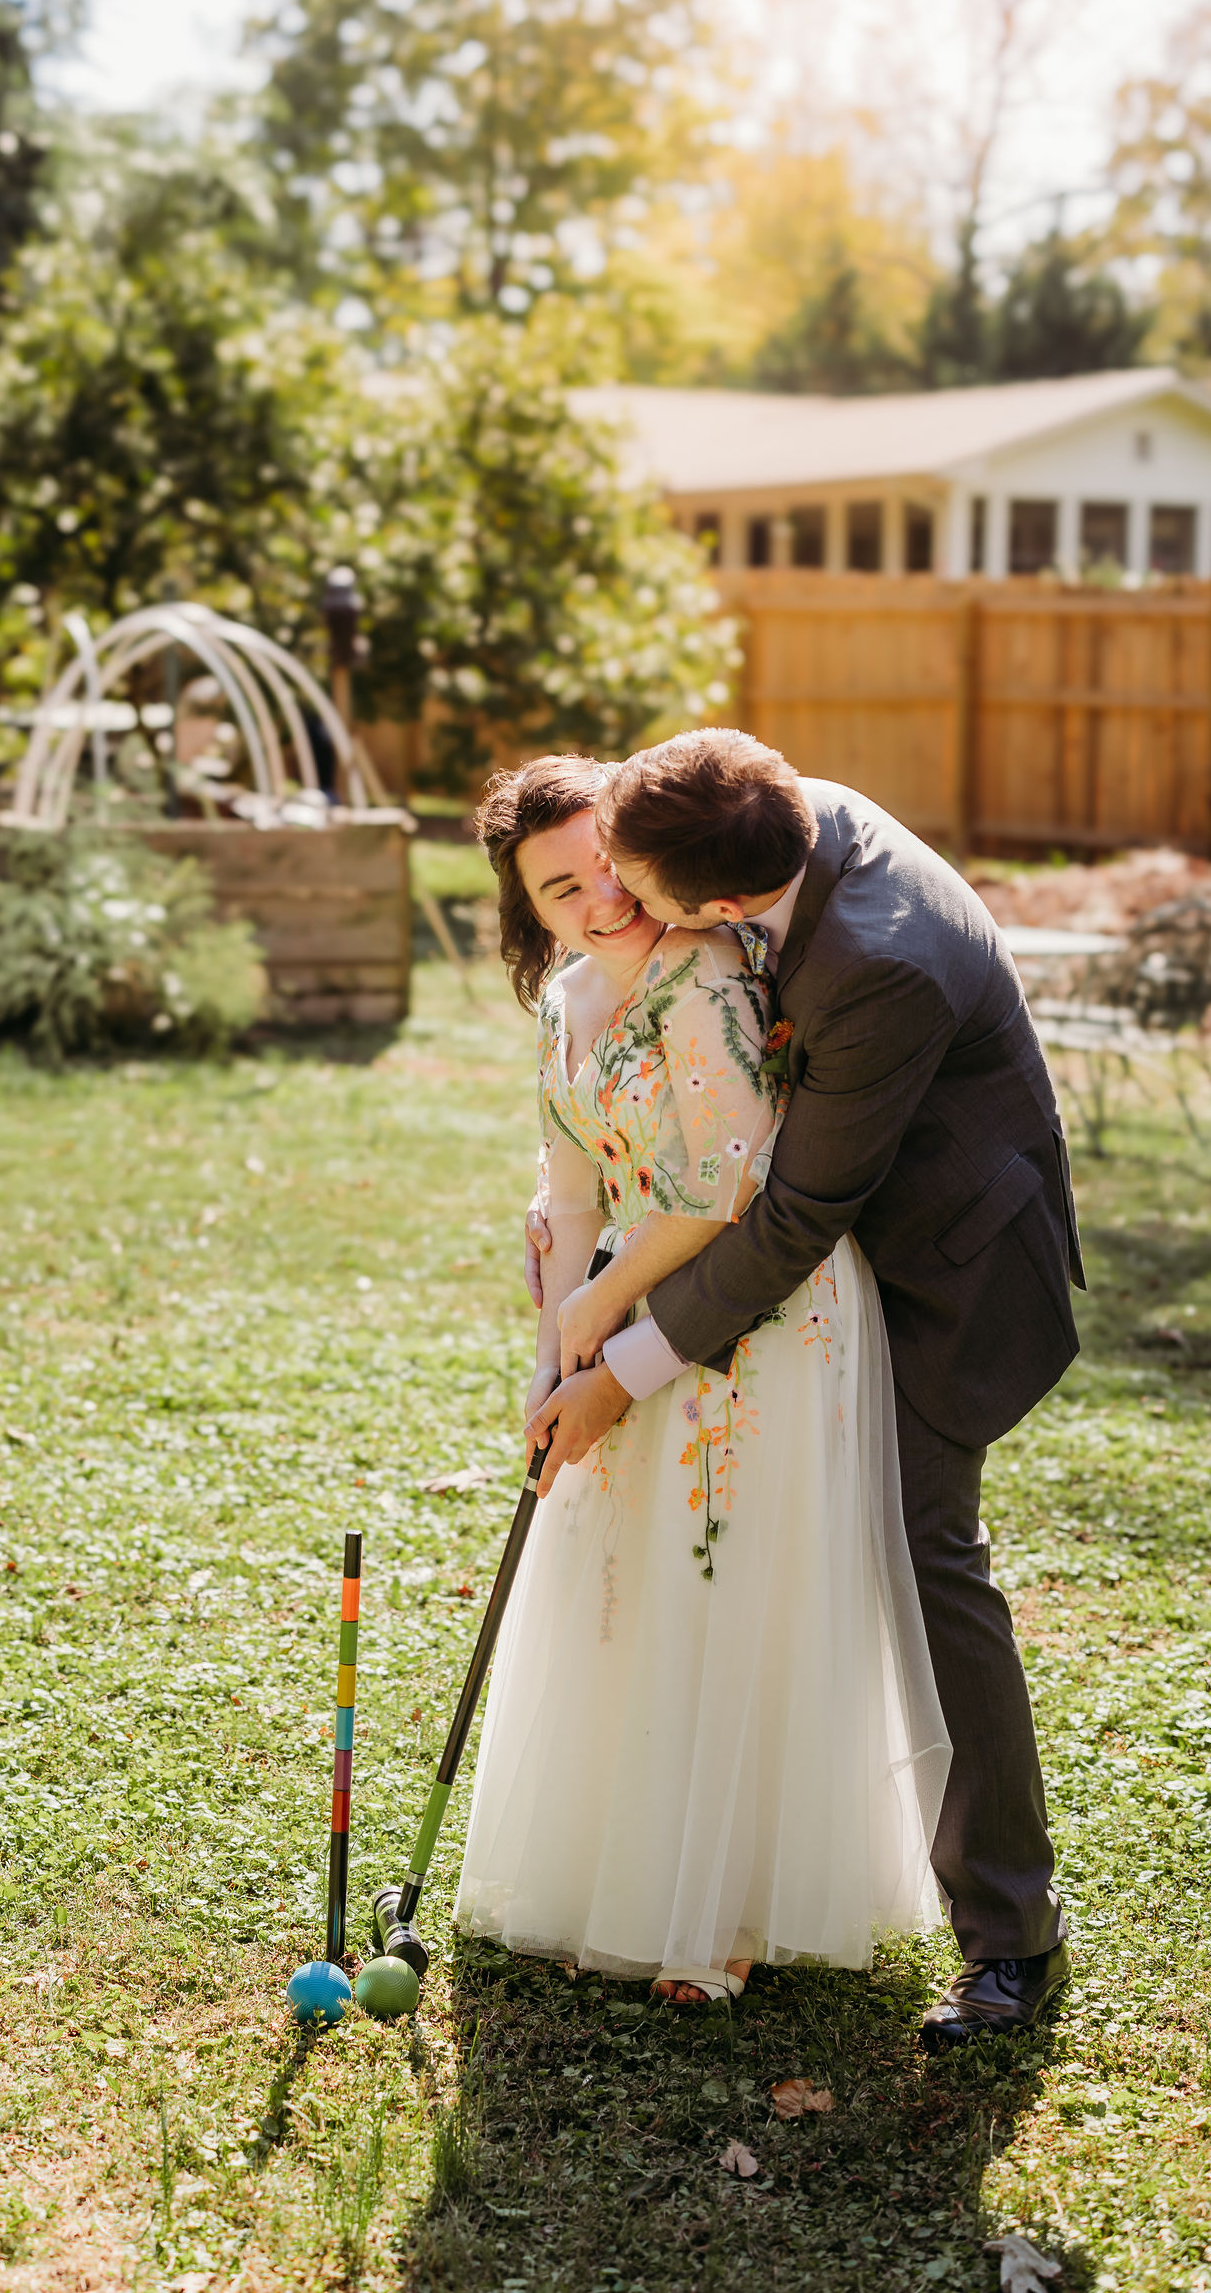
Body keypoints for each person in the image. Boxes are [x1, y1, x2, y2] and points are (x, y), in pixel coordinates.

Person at [523, 730, 1082, 2050]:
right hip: (827, 1245)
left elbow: (796, 1210)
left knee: (926, 1557)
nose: (613, 888)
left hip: (944, 1265)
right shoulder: (772, 807)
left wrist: (624, 1367)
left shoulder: (878, 963)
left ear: (715, 906)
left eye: (629, 876)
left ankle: (1014, 1939)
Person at [454, 753, 951, 2007]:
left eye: (606, 866)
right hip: (634, 1299)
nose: (598, 898)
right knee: (636, 1590)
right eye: (561, 889)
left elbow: (724, 1182)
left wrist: (602, 1303)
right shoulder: (566, 999)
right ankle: (628, 1871)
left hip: (760, 1314)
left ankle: (724, 1906)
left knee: (732, 1582)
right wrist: (545, 1365)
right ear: (536, 910)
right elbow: (566, 1196)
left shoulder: (710, 978)